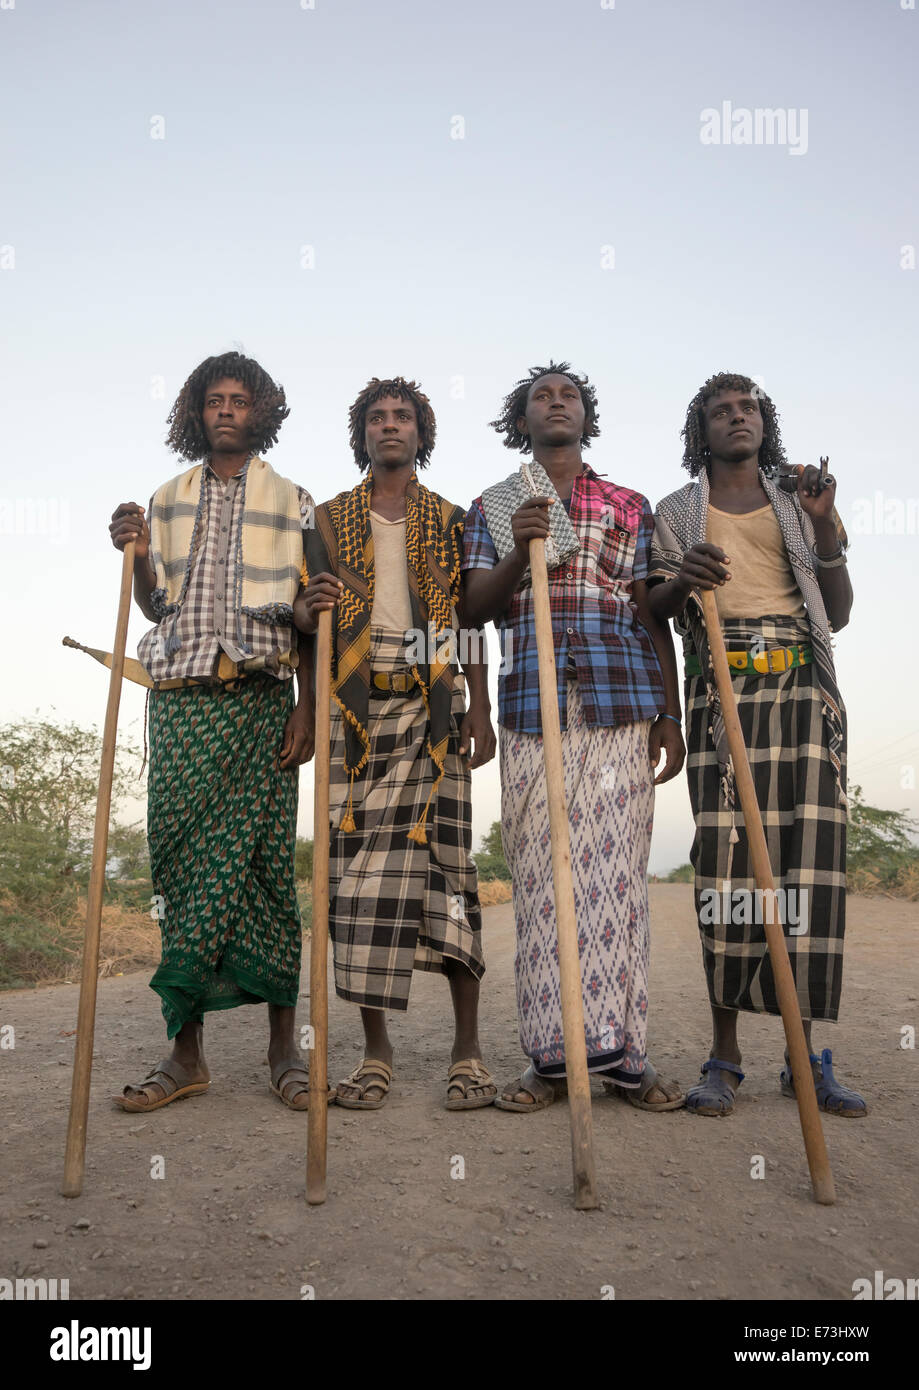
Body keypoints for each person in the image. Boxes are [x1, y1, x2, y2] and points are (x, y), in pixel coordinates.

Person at [462, 361, 685, 1112]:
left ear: (586, 417)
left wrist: (670, 713)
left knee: (617, 882)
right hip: (533, 708)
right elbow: (470, 610)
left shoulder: (628, 503)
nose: (555, 404)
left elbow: (652, 611)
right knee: (540, 880)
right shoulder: (496, 503)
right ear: (518, 421)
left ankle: (625, 1057)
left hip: (621, 703)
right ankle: (550, 1061)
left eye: (569, 396)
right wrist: (516, 552)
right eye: (539, 397)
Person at [648, 372, 866, 1117]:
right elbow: (654, 606)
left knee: (804, 872)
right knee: (728, 870)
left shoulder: (796, 500)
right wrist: (682, 579)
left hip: (801, 687)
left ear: (763, 422)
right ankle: (725, 1058)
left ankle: (805, 1059)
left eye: (747, 409)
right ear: (699, 430)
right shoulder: (675, 511)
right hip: (720, 688)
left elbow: (834, 612)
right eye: (720, 411)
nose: (735, 418)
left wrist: (826, 527)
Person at [108, 350, 320, 1113]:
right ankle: (186, 1054)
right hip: (181, 705)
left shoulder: (295, 501)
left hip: (262, 703)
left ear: (261, 411)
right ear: (196, 413)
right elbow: (152, 608)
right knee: (183, 871)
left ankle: (282, 1052)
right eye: (214, 400)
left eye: (240, 399)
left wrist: (305, 705)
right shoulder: (166, 499)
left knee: (263, 869)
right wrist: (133, 553)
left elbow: (305, 616)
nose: (226, 409)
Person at [295, 377, 498, 1110]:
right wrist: (305, 698)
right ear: (362, 434)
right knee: (354, 883)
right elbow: (302, 623)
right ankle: (375, 1053)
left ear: (421, 432)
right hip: (354, 714)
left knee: (449, 872)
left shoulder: (451, 519)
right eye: (377, 417)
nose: (389, 426)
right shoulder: (324, 518)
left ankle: (466, 1052)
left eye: (402, 416)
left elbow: (473, 616)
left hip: (434, 709)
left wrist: (481, 706)